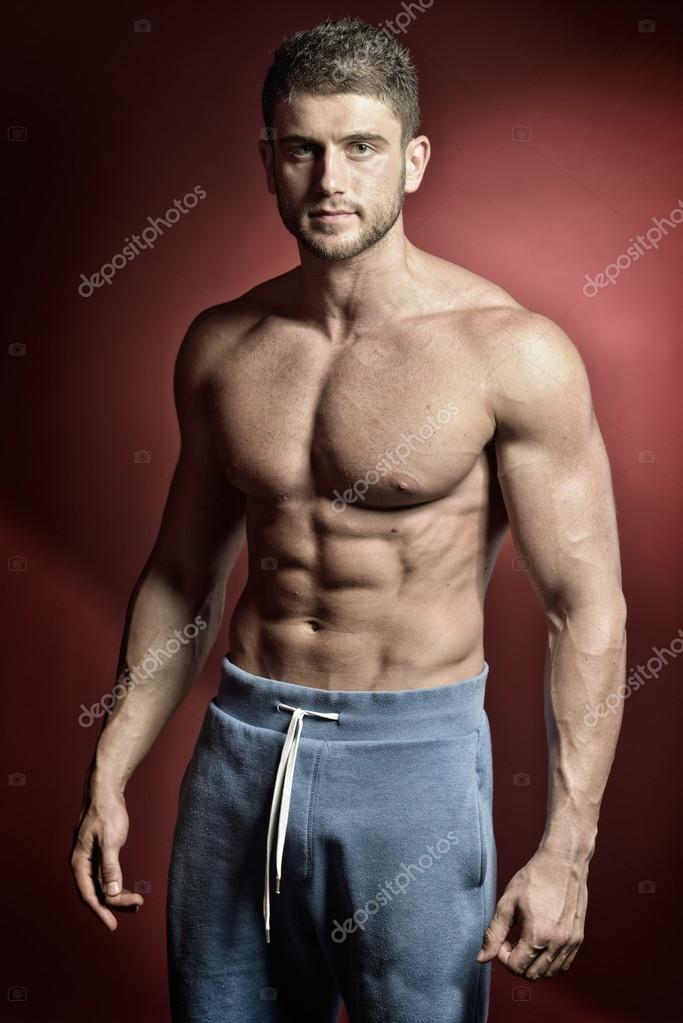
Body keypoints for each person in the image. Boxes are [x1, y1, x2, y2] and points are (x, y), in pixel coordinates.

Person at [69, 15, 627, 1023]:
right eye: (302, 149)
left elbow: (582, 606)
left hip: (411, 767)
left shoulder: (509, 353)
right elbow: (180, 576)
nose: (331, 178)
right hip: (240, 751)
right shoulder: (222, 346)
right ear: (268, 164)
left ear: (411, 161)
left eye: (361, 147)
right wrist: (109, 769)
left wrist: (568, 849)